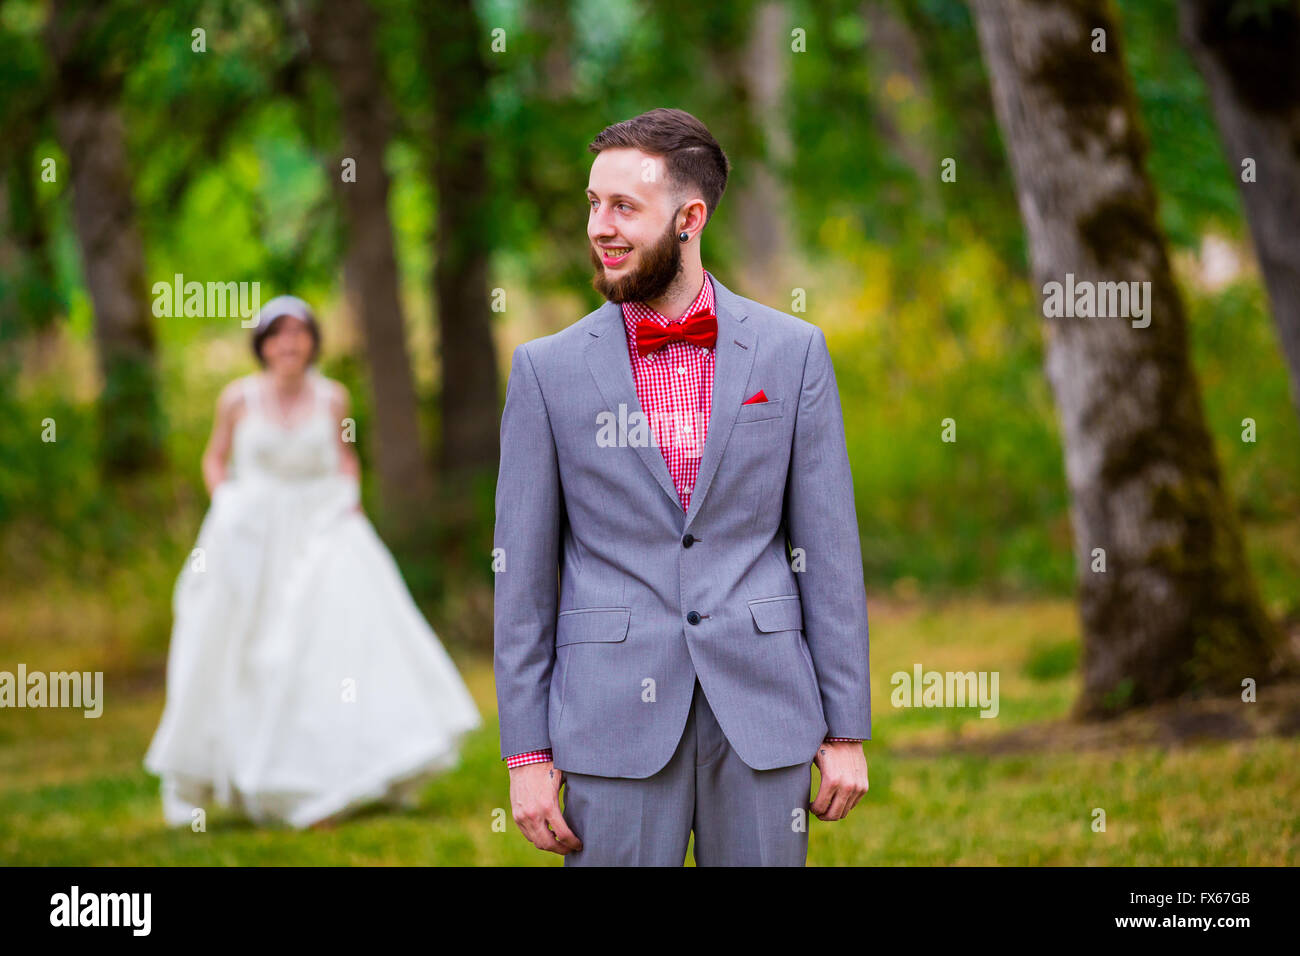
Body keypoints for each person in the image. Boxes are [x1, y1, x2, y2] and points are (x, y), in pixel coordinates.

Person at [494, 108, 871, 866]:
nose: (600, 225)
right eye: (594, 203)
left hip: (763, 712)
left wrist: (844, 727)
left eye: (624, 206)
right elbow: (523, 577)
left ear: (690, 217)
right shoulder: (547, 371)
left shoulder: (792, 353)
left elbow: (828, 552)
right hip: (610, 720)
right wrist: (527, 753)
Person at [144, 295, 481, 829]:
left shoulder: (333, 398)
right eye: (278, 335)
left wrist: (349, 496)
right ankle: (230, 771)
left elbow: (346, 456)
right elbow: (215, 456)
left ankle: (334, 774)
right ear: (263, 345)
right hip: (250, 535)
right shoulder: (237, 399)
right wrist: (225, 502)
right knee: (241, 648)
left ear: (312, 343)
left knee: (330, 647)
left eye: (299, 334)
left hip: (323, 528)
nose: (289, 345)